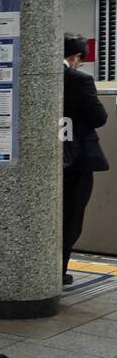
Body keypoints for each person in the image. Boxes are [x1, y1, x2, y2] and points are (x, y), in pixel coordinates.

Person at [61, 33, 108, 285]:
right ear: (76, 56)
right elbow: (99, 118)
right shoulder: (80, 80)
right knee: (71, 215)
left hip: (47, 158)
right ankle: (58, 270)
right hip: (78, 159)